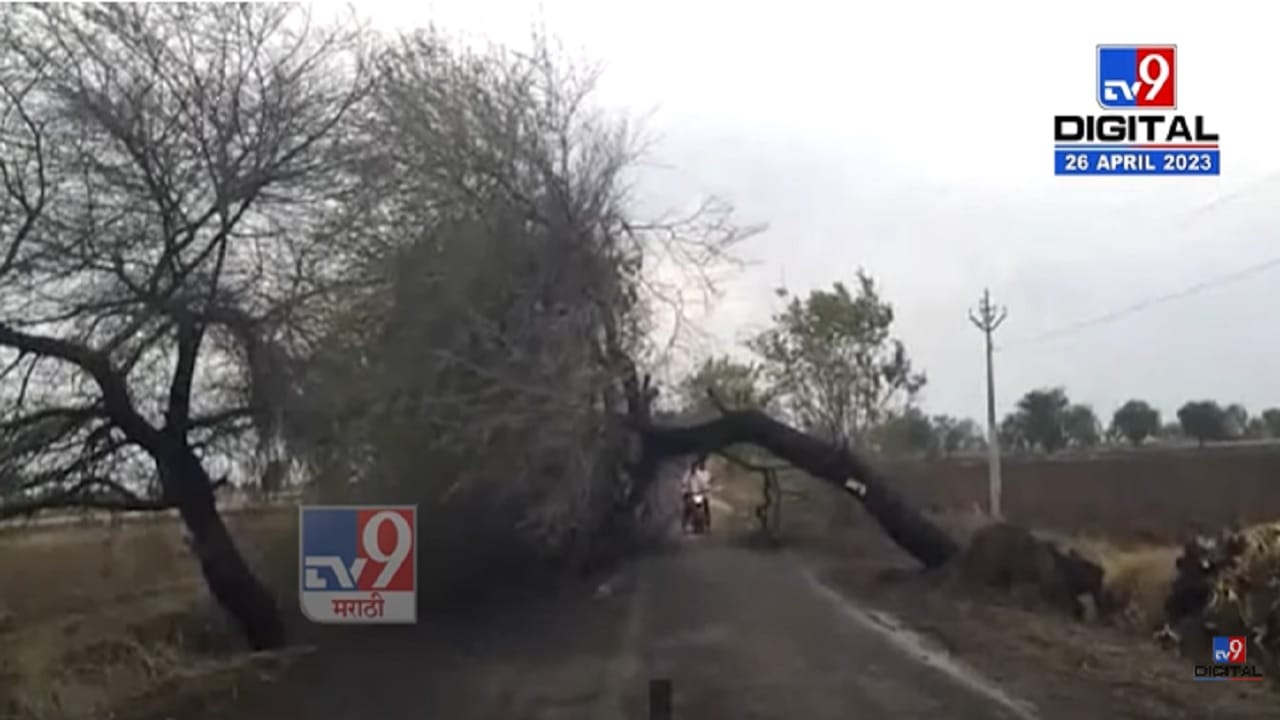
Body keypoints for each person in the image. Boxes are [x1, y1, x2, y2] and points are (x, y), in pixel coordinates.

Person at [681, 456, 712, 531]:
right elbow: (684, 484)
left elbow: (702, 484)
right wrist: (685, 492)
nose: (693, 469)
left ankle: (701, 524)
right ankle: (684, 525)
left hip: (697, 495)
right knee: (687, 510)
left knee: (700, 509)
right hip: (689, 495)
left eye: (695, 467)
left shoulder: (698, 475)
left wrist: (705, 488)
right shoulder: (687, 474)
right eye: (693, 467)